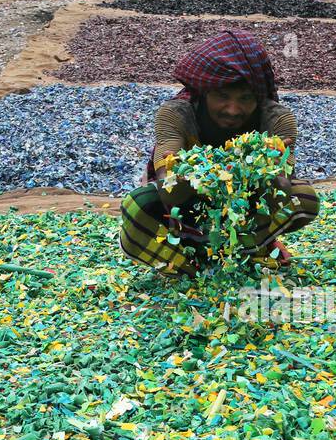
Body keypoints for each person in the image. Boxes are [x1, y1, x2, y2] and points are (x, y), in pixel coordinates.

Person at [120, 30, 320, 274]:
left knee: (305, 198)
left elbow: (281, 193)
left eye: (246, 99)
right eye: (223, 96)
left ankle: (253, 247)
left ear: (258, 96)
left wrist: (275, 169)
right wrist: (189, 179)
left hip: (245, 208)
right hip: (185, 209)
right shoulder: (176, 114)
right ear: (205, 91)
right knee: (136, 205)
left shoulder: (277, 120)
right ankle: (185, 265)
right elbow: (168, 192)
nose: (233, 110)